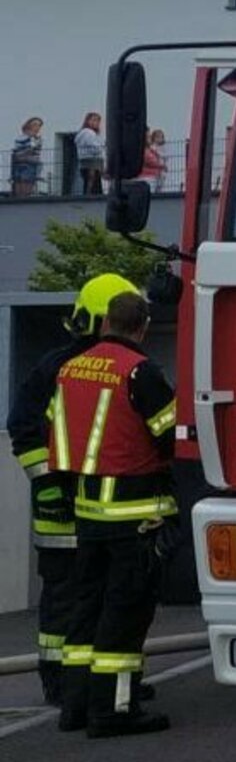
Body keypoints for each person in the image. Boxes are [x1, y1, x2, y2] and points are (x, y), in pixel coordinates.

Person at [6, 274, 143, 704]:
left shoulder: (114, 365)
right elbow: (23, 427)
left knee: (107, 598)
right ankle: (60, 682)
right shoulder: (57, 367)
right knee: (65, 599)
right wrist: (48, 482)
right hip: (63, 510)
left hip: (100, 509)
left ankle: (102, 684)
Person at [54, 290, 178, 737]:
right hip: (134, 514)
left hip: (87, 511)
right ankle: (114, 711)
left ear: (106, 322)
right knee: (124, 617)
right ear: (142, 327)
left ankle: (75, 706)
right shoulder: (140, 371)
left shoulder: (71, 368)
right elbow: (171, 435)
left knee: (85, 611)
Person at [74, 111, 107, 195]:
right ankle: (91, 198)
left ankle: (88, 196)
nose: (96, 123)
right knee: (93, 184)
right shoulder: (89, 133)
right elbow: (94, 147)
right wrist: (102, 147)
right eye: (94, 120)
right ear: (88, 121)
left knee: (90, 183)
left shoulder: (85, 133)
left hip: (86, 161)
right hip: (92, 162)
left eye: (98, 121)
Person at [11, 116, 43, 197]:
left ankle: (24, 199)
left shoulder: (37, 139)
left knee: (27, 183)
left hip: (29, 165)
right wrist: (25, 154)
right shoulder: (20, 138)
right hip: (20, 164)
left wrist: (23, 155)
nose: (37, 127)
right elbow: (17, 152)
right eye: (35, 124)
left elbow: (34, 151)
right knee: (18, 184)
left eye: (39, 125)